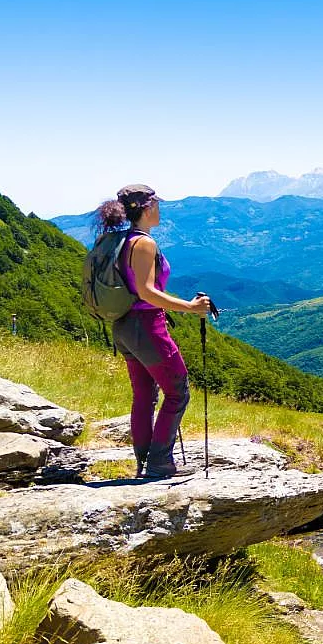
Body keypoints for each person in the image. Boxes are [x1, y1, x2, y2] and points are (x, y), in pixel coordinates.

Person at [94, 184, 212, 478]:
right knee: (177, 391)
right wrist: (189, 307)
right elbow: (146, 292)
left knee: (144, 396)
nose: (160, 209)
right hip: (147, 326)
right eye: (157, 205)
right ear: (147, 209)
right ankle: (159, 462)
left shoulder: (120, 241)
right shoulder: (143, 244)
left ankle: (144, 463)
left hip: (123, 325)